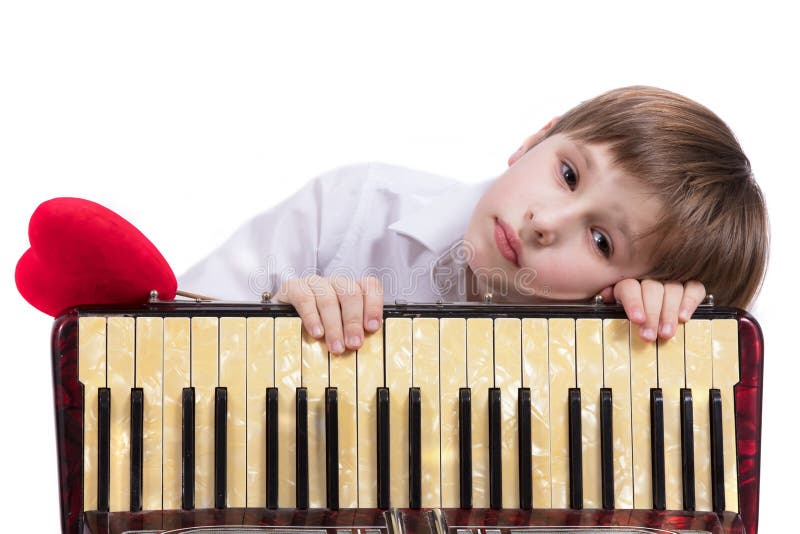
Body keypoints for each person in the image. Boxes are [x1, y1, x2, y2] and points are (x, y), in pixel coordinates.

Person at [178, 86, 769, 355]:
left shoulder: (618, 352)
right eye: (568, 174)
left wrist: (659, 351)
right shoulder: (355, 207)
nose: (546, 222)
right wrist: (262, 324)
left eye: (599, 240)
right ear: (537, 138)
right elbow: (162, 333)